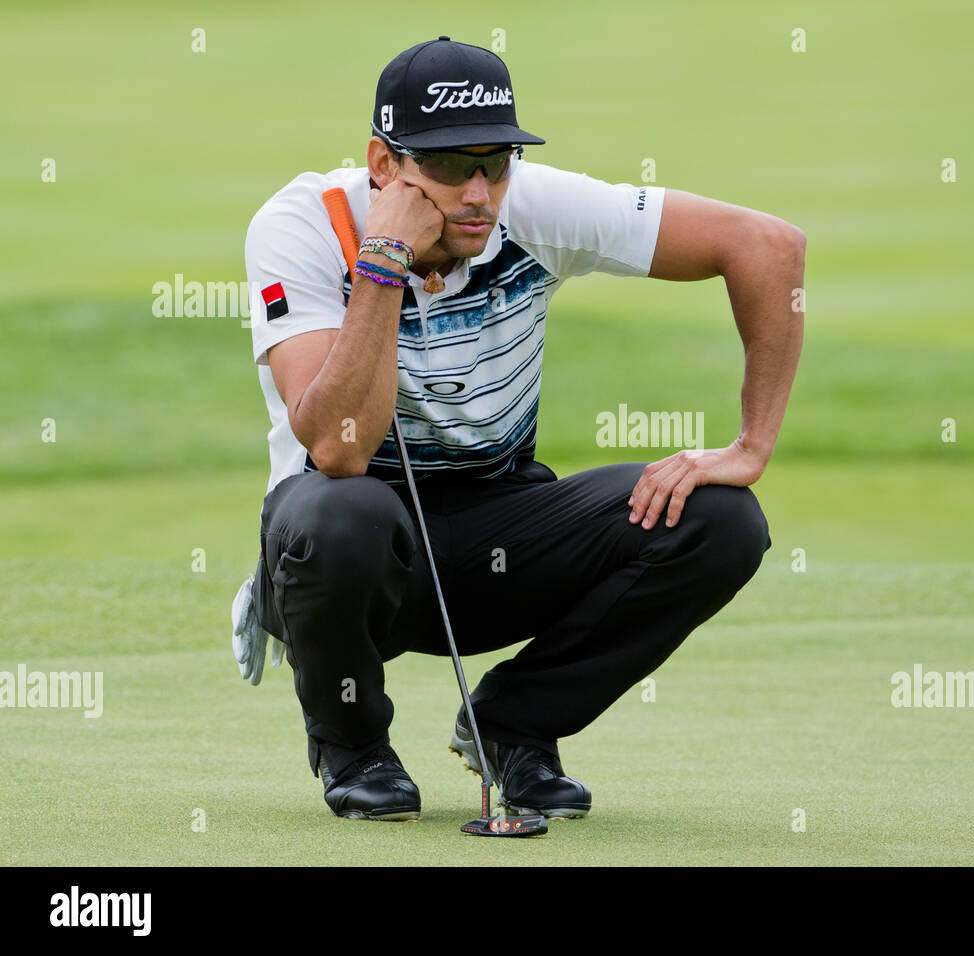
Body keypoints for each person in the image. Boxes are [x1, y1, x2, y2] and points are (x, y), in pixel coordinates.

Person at [230, 36, 805, 822]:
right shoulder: (302, 224)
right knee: (343, 514)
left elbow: (767, 246)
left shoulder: (530, 206)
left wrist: (750, 447)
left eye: (495, 162)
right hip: (352, 551)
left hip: (496, 540)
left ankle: (516, 727)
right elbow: (339, 447)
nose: (477, 193)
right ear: (382, 161)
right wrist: (384, 258)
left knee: (719, 520)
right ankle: (353, 747)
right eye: (447, 165)